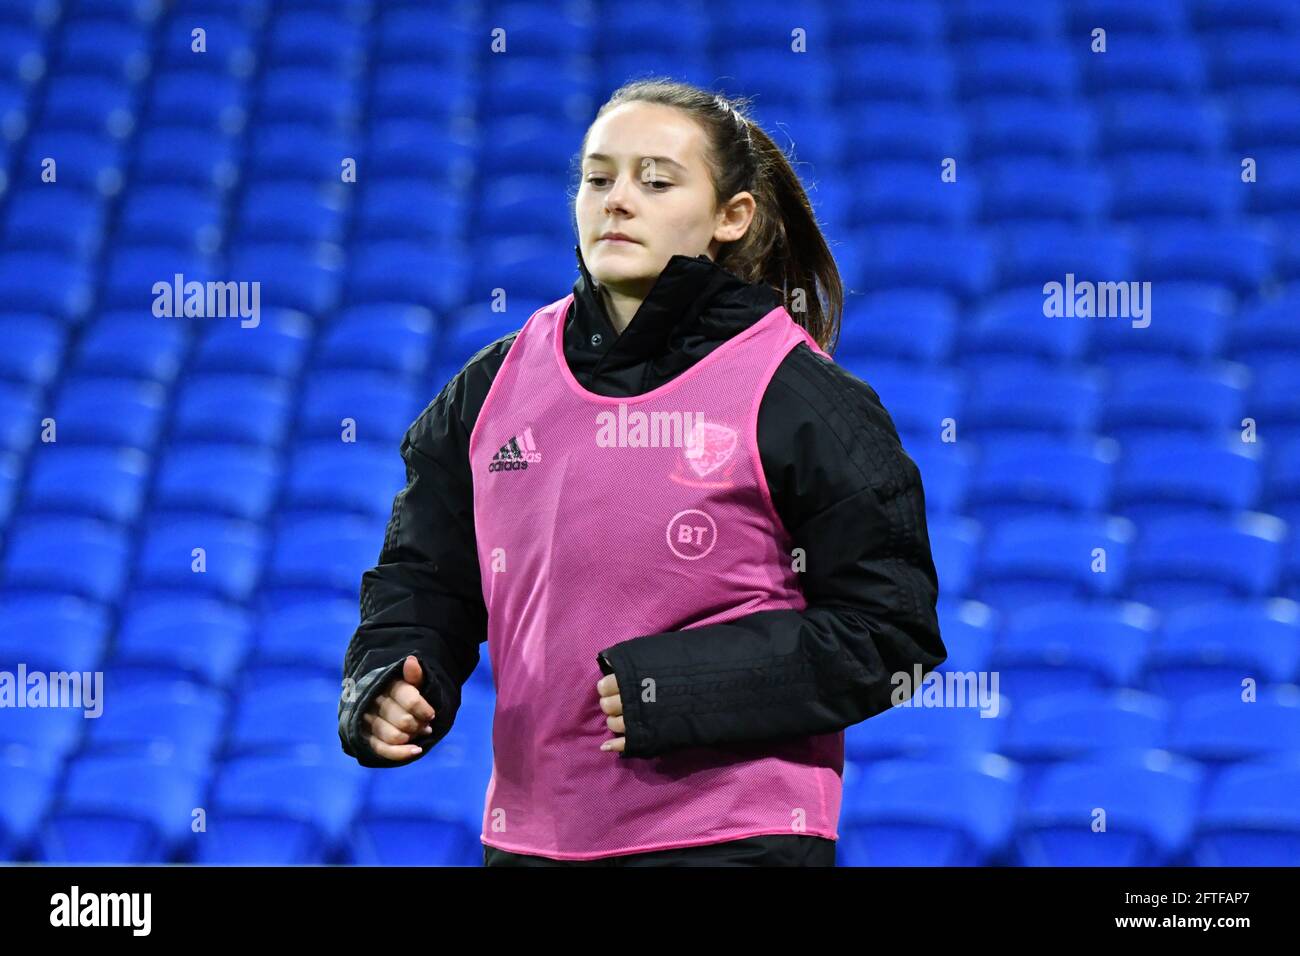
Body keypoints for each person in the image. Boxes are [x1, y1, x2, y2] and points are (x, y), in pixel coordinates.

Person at [338, 78, 946, 868]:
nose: (617, 201)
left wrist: (677, 687)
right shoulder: (491, 387)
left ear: (733, 218)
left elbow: (892, 633)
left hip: (731, 840)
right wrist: (388, 679)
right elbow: (423, 578)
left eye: (656, 180)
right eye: (598, 177)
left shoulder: (798, 394)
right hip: (529, 840)